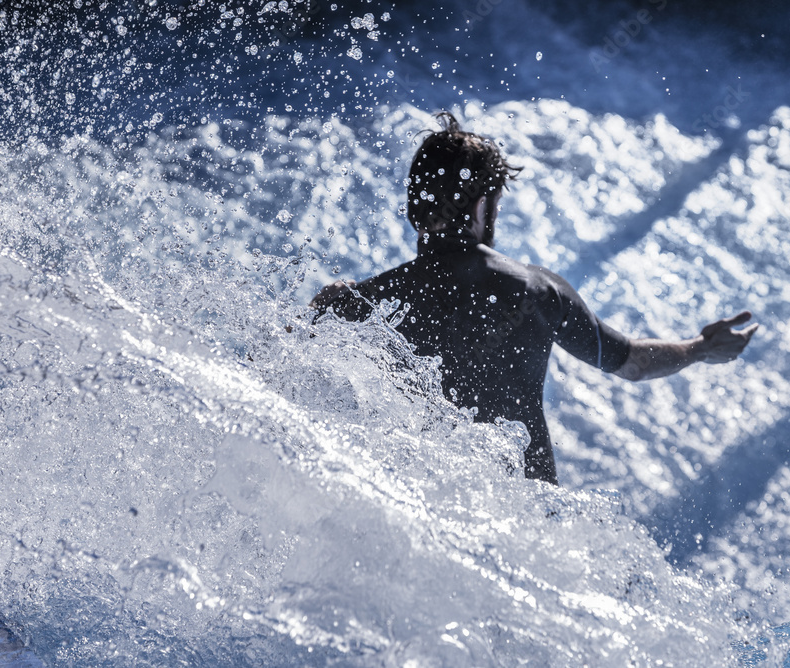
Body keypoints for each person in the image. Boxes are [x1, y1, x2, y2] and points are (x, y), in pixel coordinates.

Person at [310, 112, 757, 485]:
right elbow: (632, 363)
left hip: (416, 510)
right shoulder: (536, 291)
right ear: (484, 203)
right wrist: (700, 349)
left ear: (414, 206)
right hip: (524, 523)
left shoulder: (356, 306)